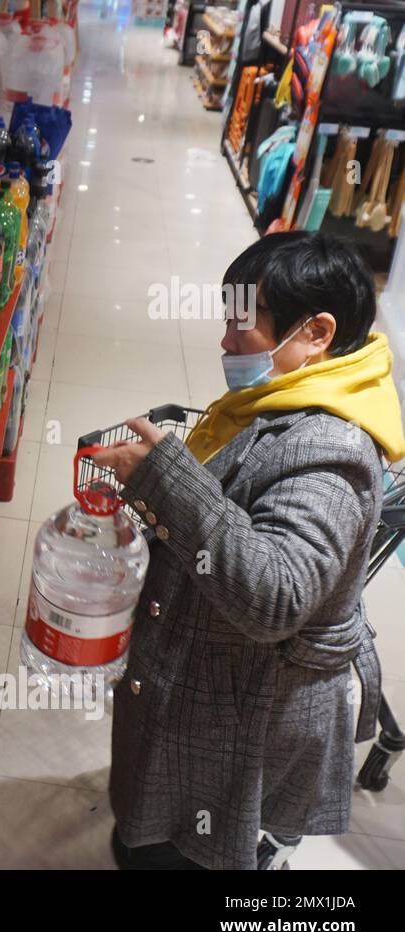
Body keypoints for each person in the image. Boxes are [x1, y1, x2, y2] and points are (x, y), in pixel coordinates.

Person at [91, 232, 405, 870]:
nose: (226, 342)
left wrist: (164, 476)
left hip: (247, 711)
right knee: (148, 832)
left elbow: (275, 596)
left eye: (243, 324)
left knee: (187, 848)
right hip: (210, 682)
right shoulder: (282, 400)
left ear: (315, 332)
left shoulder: (332, 450)